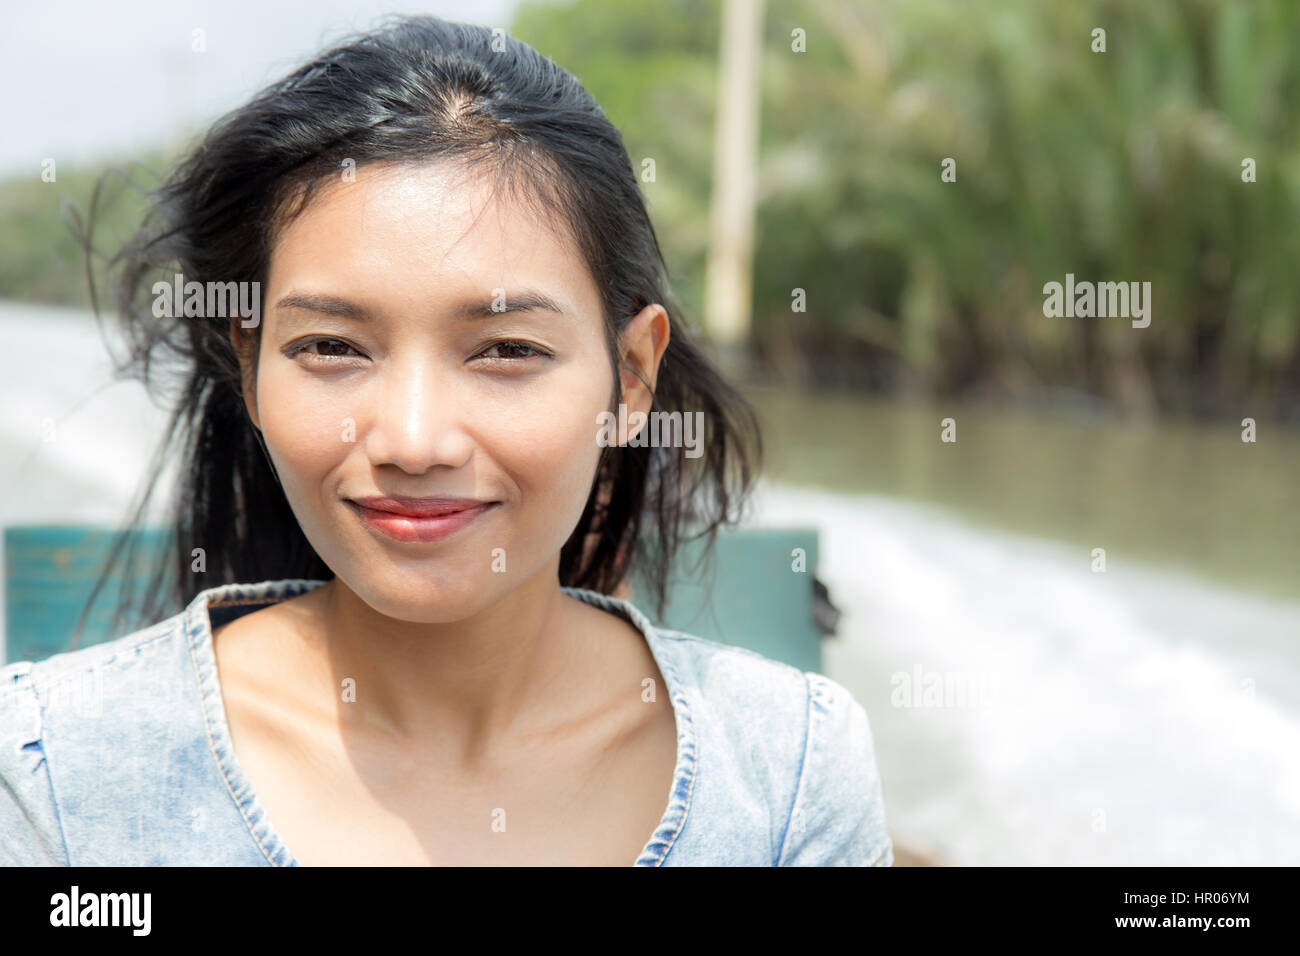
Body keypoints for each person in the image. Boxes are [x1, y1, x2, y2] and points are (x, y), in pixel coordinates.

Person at [0, 14, 892, 866]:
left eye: (507, 350)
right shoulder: (63, 775)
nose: (414, 441)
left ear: (630, 377)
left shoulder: (792, 774)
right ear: (251, 367)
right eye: (331, 348)